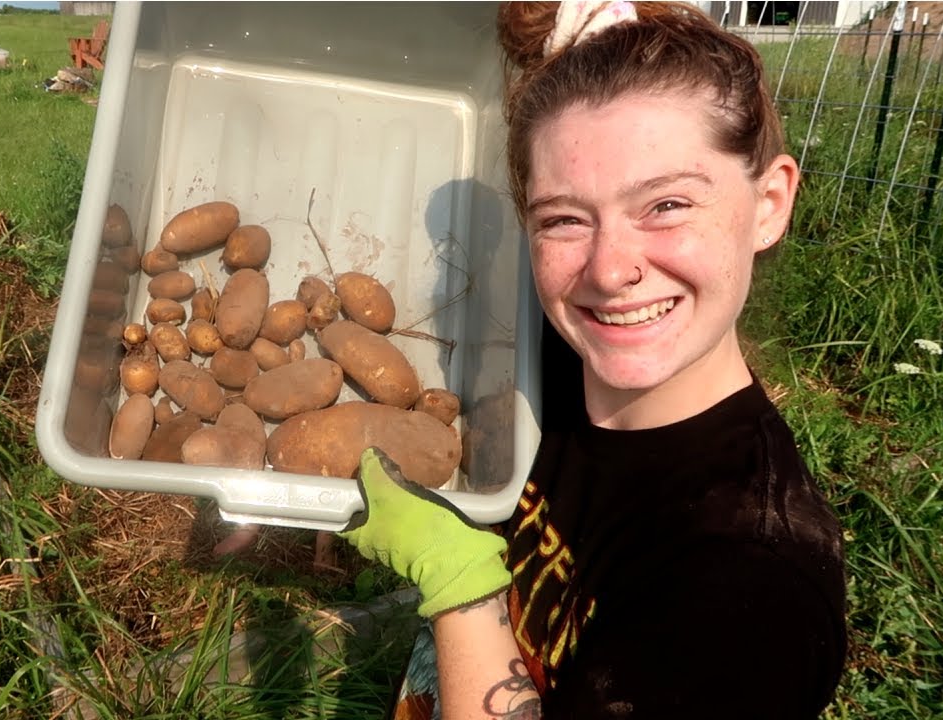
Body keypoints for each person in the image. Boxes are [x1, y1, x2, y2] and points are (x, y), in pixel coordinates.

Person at [338, 2, 848, 718]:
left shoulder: (755, 594)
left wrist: (458, 587)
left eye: (666, 205)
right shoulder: (549, 370)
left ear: (769, 203)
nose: (609, 271)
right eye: (565, 218)